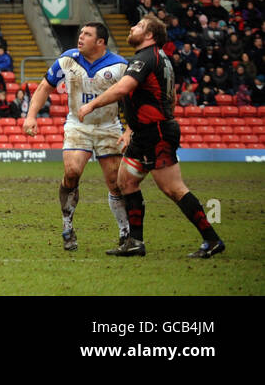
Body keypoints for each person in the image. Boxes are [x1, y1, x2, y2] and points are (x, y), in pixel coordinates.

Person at [79, 17, 224, 258]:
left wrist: (91, 105)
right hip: (145, 133)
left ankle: (212, 239)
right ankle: (135, 242)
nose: (132, 28)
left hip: (156, 133)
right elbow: (171, 96)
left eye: (138, 26)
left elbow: (123, 88)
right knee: (125, 181)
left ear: (149, 35)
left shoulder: (145, 58)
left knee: (173, 188)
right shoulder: (159, 58)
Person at [23, 23, 131, 251]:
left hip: (109, 127)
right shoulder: (67, 60)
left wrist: (130, 129)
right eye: (81, 33)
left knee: (115, 183)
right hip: (77, 125)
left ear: (100, 42)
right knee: (72, 173)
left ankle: (125, 233)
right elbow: (44, 87)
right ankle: (67, 226)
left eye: (87, 35)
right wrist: (31, 115)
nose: (80, 37)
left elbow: (133, 98)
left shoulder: (120, 66)